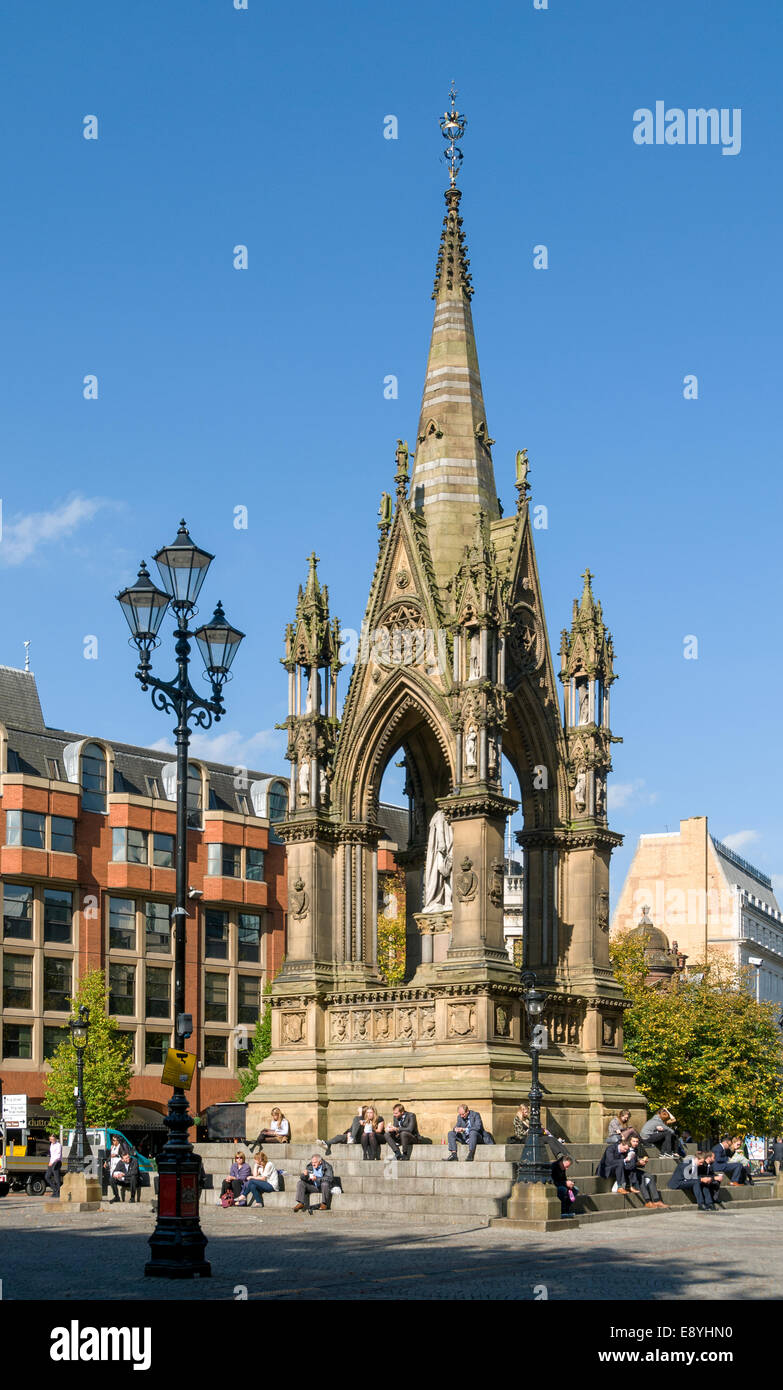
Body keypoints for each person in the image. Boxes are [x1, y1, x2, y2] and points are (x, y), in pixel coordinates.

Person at [624, 1136, 665, 1207]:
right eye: (634, 1141)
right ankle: (647, 1201)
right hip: (628, 1172)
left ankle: (656, 1200)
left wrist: (642, 1162)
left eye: (637, 1141)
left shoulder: (635, 1149)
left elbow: (635, 1164)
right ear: (630, 1141)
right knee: (642, 1177)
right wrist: (638, 1163)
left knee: (651, 1176)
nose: (636, 1143)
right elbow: (627, 1165)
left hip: (634, 1169)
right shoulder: (626, 1150)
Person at [105, 1135, 125, 1202]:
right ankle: (116, 1196)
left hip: (119, 1168)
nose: (113, 1142)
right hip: (113, 1167)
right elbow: (110, 1156)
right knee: (111, 1180)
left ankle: (117, 1196)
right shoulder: (113, 1147)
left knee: (113, 1179)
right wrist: (106, 1162)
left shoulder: (121, 1147)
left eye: (114, 1140)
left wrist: (116, 1155)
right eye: (112, 1140)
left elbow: (124, 1155)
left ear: (118, 1141)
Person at [44, 1133, 62, 1199]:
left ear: (55, 1139)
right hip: (52, 1162)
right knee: (47, 1176)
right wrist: (50, 1162)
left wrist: (52, 1162)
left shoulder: (58, 1145)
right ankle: (55, 1189)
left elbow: (58, 1155)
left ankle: (58, 1192)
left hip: (57, 1162)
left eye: (52, 1139)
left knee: (56, 1178)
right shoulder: (51, 1145)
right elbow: (52, 1155)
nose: (51, 1140)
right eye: (50, 1139)